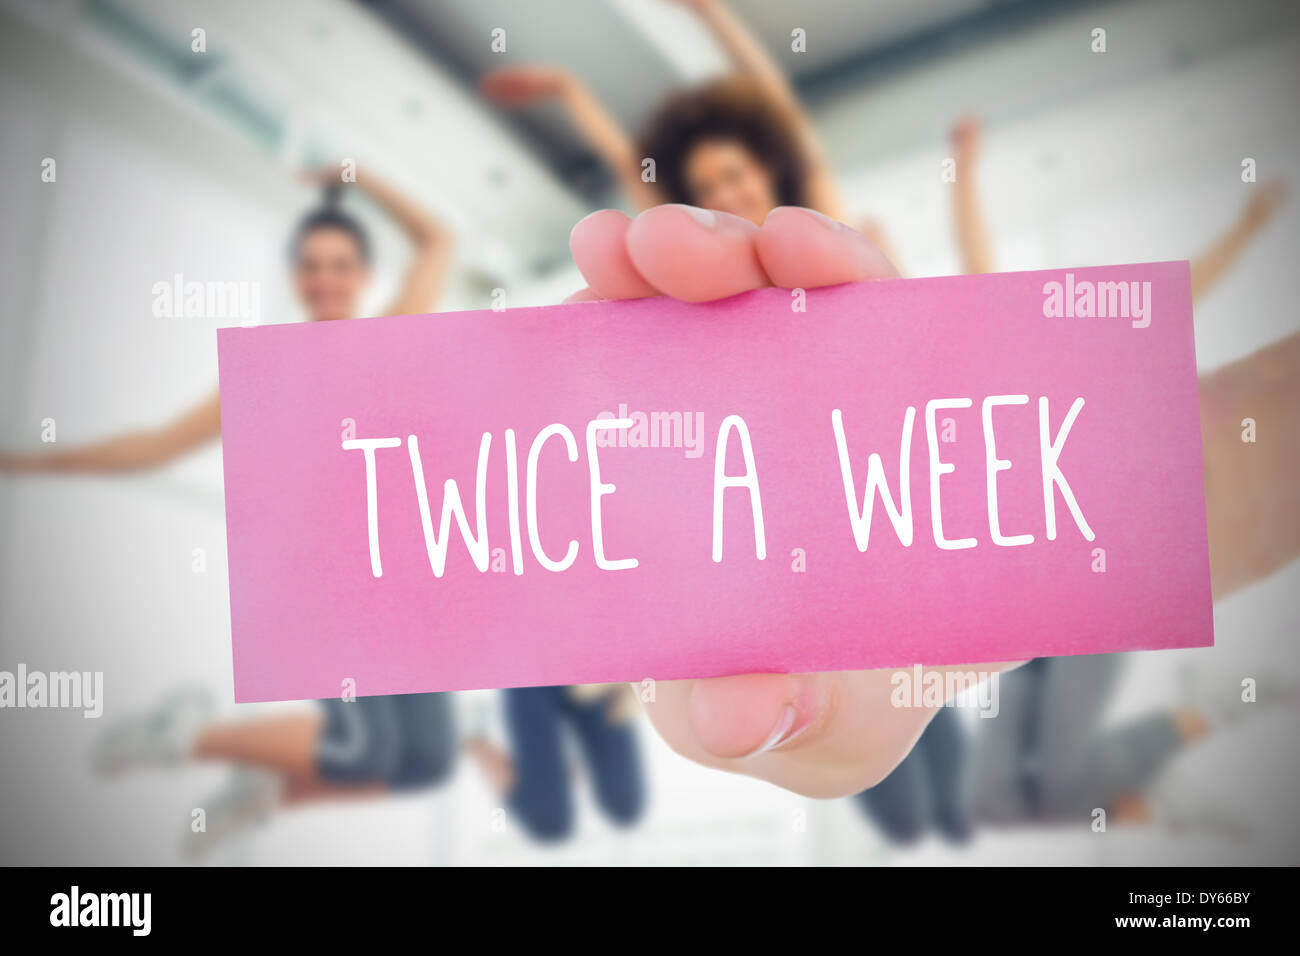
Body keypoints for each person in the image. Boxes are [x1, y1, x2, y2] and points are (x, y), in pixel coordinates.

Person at [560, 196, 1300, 802]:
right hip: (1055, 592)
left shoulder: (1057, 366)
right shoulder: (975, 358)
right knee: (1009, 792)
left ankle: (1195, 726)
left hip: (1073, 586)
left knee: (1011, 796)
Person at [1, 165, 458, 856]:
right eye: (310, 266)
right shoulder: (268, 376)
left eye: (340, 265)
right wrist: (33, 462)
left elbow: (438, 241)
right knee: (361, 748)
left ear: (365, 274)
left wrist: (357, 178)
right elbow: (155, 444)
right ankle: (179, 737)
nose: (325, 279)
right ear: (297, 278)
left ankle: (266, 792)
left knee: (427, 761)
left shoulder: (390, 338)